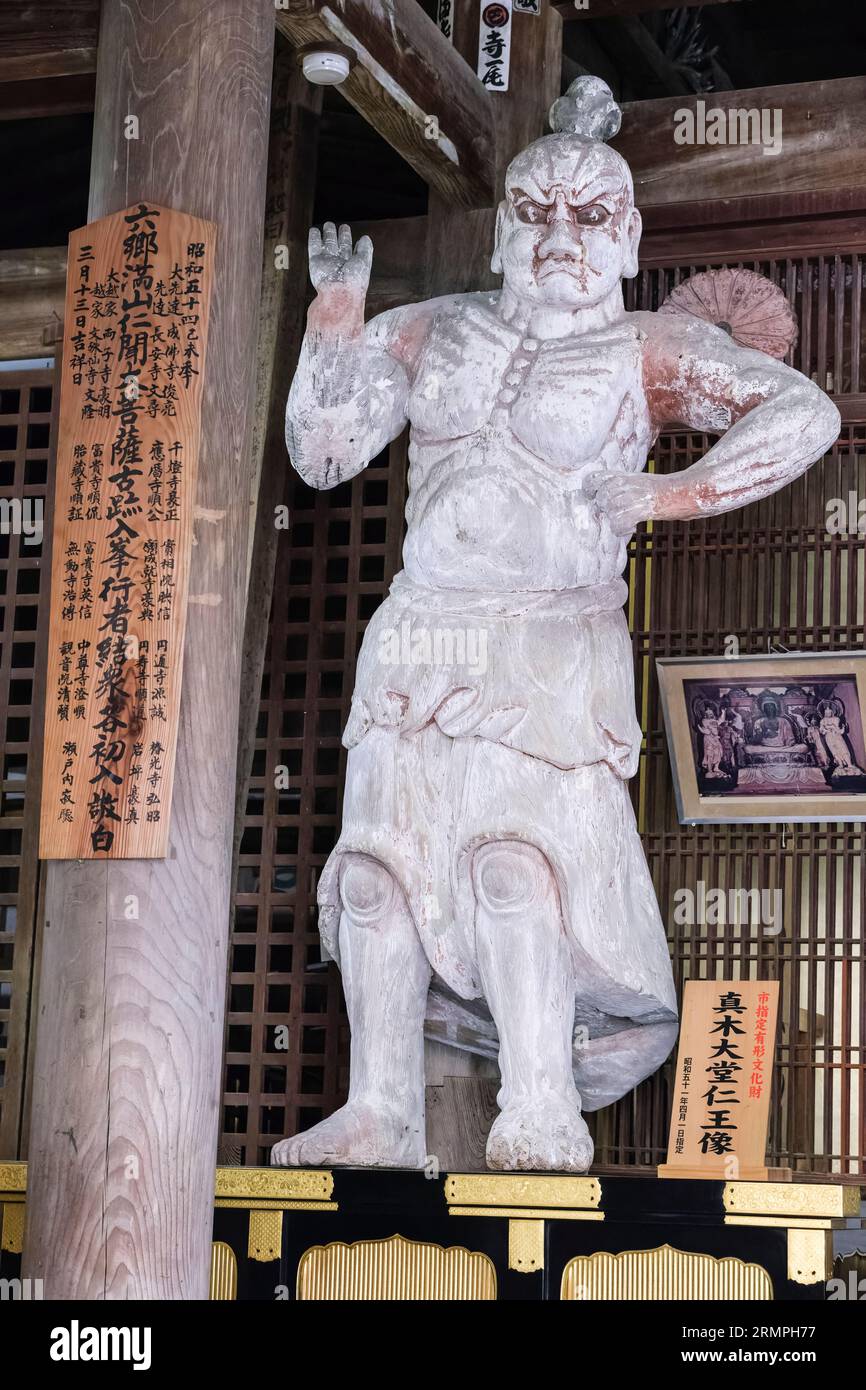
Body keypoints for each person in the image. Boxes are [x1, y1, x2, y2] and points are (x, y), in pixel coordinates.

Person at [272, 77, 840, 1172]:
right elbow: (322, 454)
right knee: (370, 876)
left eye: (588, 216)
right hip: (419, 634)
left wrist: (663, 496)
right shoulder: (433, 330)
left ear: (627, 238)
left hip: (545, 643)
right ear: (499, 233)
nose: (559, 235)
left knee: (512, 866)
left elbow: (801, 413)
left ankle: (539, 1104)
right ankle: (379, 1105)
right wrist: (333, 319)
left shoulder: (643, 348)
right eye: (533, 213)